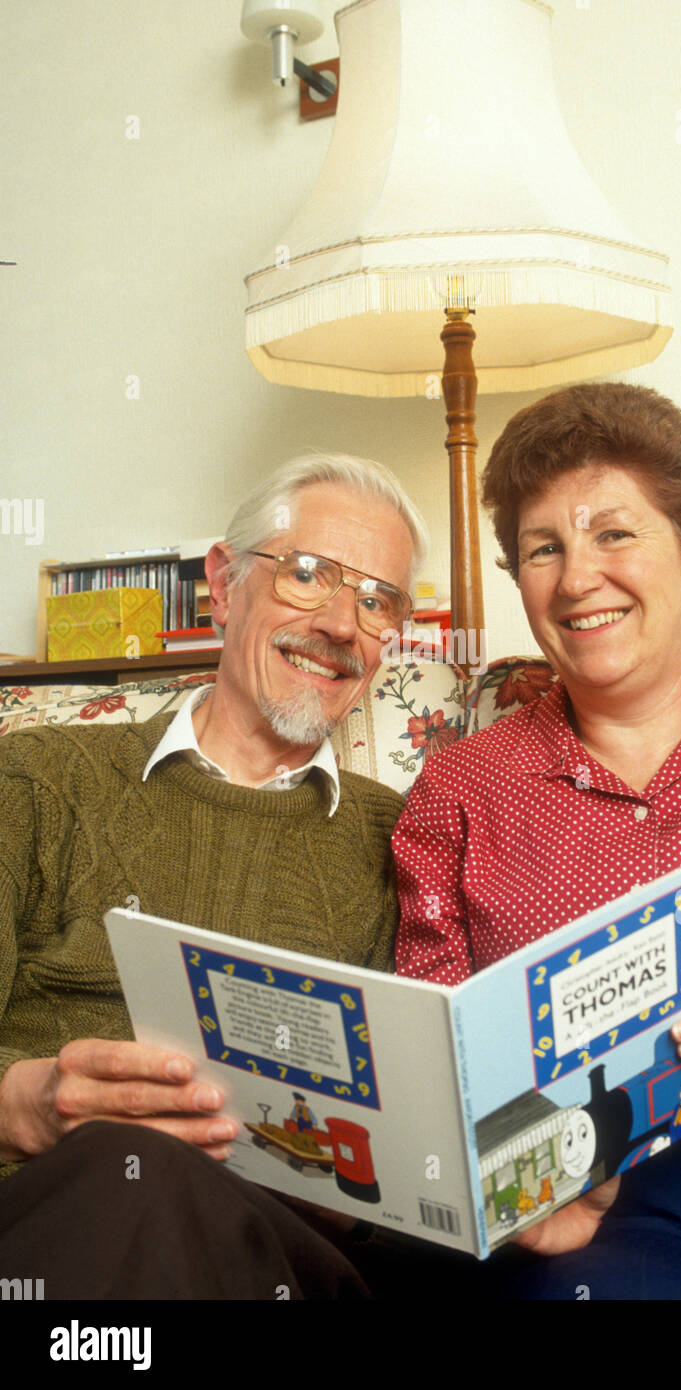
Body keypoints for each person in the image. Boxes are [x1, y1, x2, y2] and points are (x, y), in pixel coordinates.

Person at [393, 383, 681, 1300]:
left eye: (615, 533)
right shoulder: (459, 791)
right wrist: (517, 1187)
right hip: (615, 1215)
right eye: (544, 548)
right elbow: (436, 1072)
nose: (577, 579)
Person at [0, 451, 428, 1299]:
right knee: (135, 1169)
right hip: (48, 1225)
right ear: (224, 585)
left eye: (377, 601)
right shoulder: (39, 782)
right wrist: (22, 1100)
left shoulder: (401, 838)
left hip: (280, 1258)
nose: (344, 624)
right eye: (309, 575)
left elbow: (411, 1147)